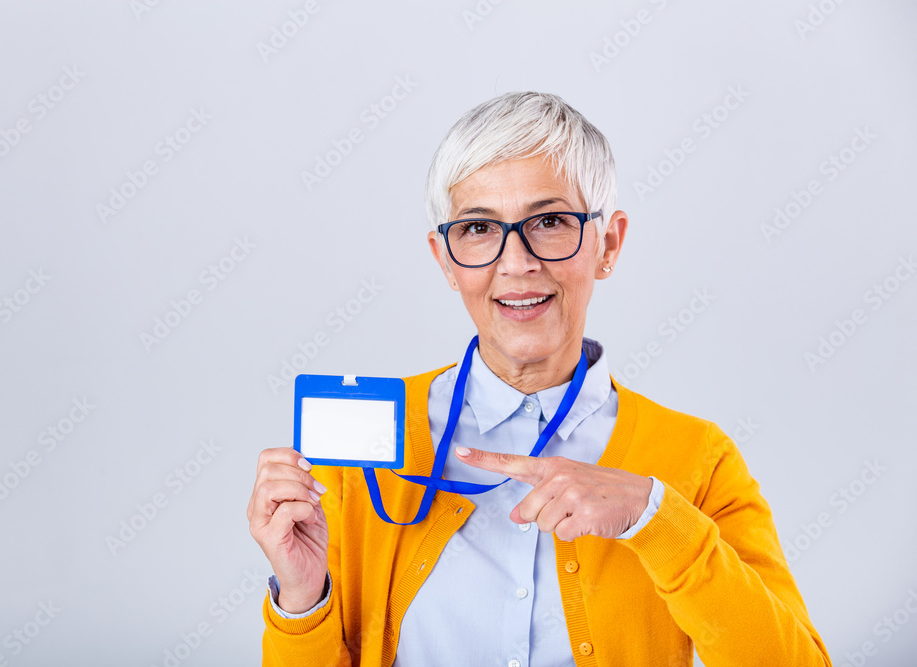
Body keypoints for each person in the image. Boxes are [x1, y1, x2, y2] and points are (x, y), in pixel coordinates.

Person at [248, 92, 832, 666]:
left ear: (608, 244)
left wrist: (656, 518)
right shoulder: (364, 442)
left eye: (550, 221)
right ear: (445, 258)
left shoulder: (697, 458)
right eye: (479, 228)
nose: (516, 262)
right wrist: (302, 602)